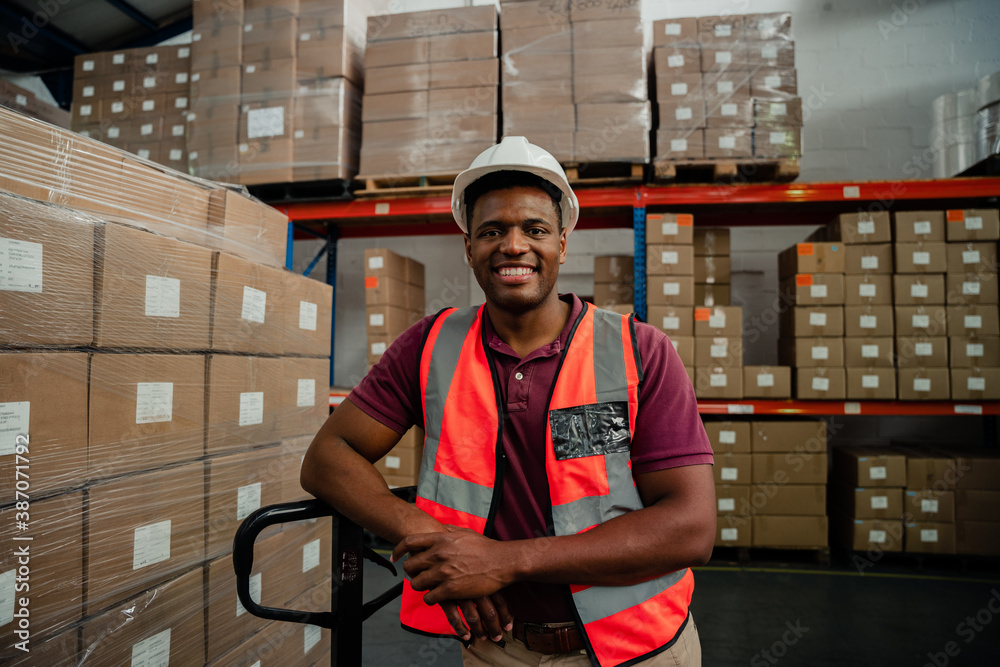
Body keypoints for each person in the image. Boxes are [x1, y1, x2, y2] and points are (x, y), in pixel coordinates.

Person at [301, 137, 716, 666]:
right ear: (469, 247)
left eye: (534, 230)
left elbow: (692, 525)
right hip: (499, 651)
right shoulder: (429, 346)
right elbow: (327, 458)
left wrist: (506, 561)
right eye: (492, 231)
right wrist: (437, 542)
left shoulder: (638, 351)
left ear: (562, 244)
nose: (513, 246)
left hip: (640, 648)